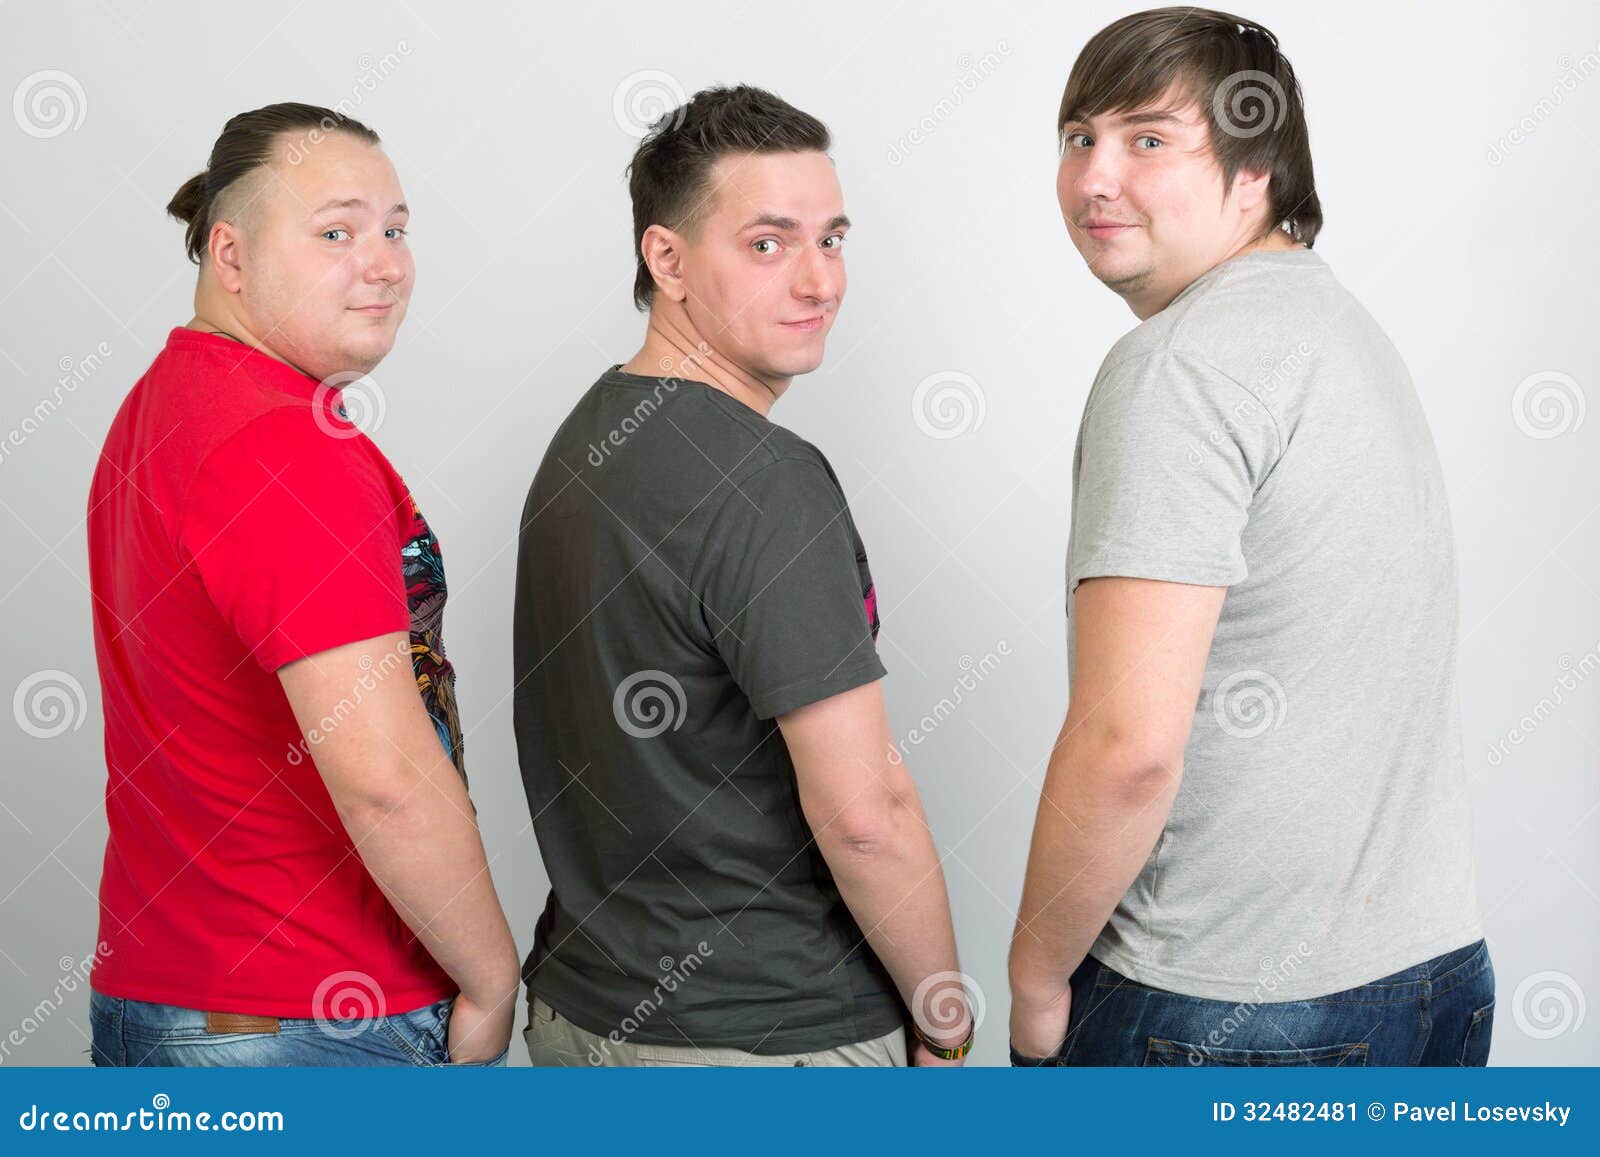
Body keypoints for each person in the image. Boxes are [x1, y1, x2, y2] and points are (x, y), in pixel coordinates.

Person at [1008, 9, 1492, 1066]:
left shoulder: (1179, 367)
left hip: (1228, 1008)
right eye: (1077, 135)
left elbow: (1126, 745)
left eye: (1145, 139)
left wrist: (1036, 977)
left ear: (1253, 174)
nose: (1093, 177)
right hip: (1432, 979)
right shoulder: (1341, 333)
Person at [513, 85, 972, 1067]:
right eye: (767, 243)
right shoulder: (765, 482)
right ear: (665, 259)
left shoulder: (583, 439)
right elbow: (864, 814)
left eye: (832, 238)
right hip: (768, 1038)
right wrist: (944, 1014)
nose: (820, 281)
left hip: (579, 1014)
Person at [86, 103, 519, 1066]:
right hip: (308, 1014)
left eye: (396, 229)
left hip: (171, 996)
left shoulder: (163, 406)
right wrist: (492, 978)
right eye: (337, 231)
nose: (386, 263)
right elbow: (387, 778)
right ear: (231, 257)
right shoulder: (285, 446)